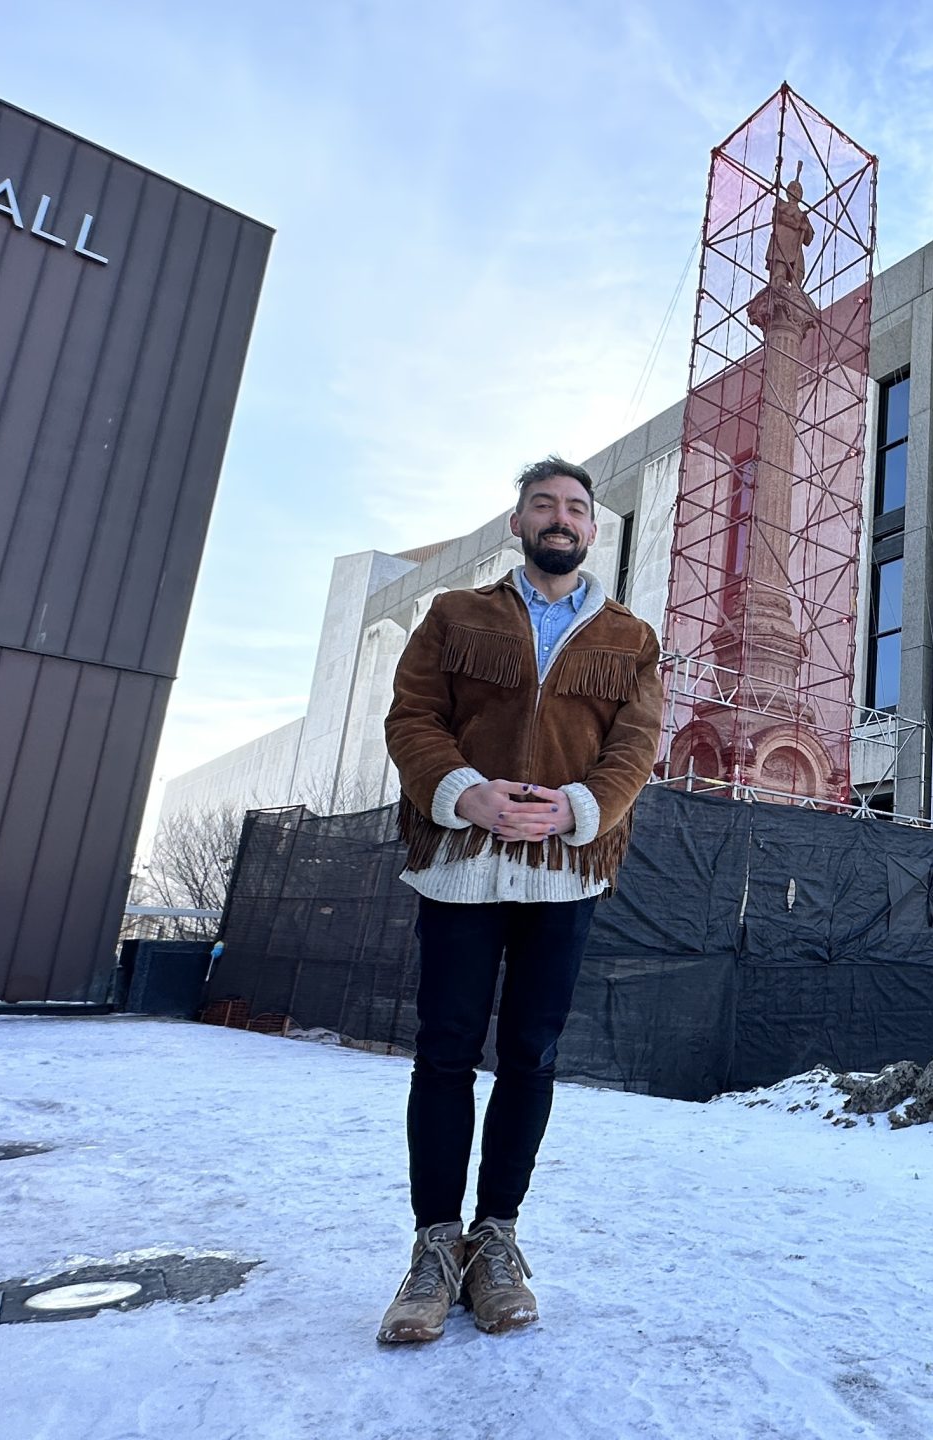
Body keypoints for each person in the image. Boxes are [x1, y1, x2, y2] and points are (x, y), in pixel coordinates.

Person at [374, 455, 664, 1343]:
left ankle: (496, 1239)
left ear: (592, 529)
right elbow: (411, 718)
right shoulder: (454, 615)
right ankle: (433, 1250)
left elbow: (637, 743)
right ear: (518, 522)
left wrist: (578, 810)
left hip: (564, 870)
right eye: (544, 504)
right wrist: (464, 791)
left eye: (576, 507)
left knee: (531, 1054)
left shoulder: (630, 637)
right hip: (462, 859)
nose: (561, 518)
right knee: (446, 1051)